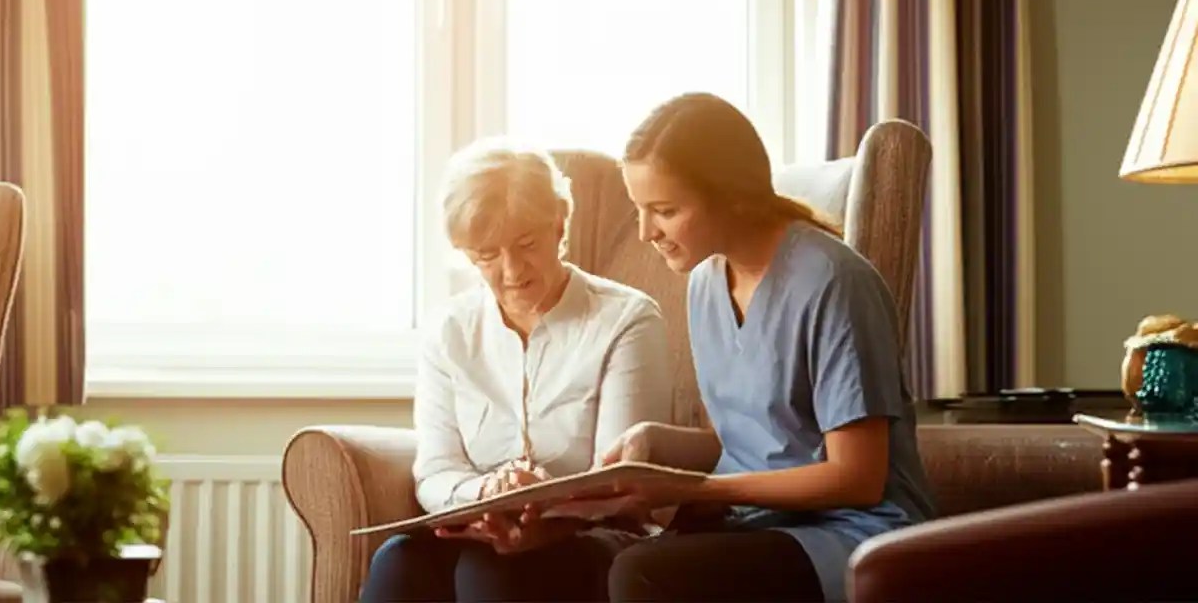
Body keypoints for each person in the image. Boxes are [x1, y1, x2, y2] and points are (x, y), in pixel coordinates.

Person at [600, 92, 936, 603]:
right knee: (587, 558)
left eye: (664, 210)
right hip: (757, 520)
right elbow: (745, 442)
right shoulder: (705, 282)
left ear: (731, 196)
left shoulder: (834, 282)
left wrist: (695, 490)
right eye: (640, 211)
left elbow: (858, 479)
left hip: (850, 531)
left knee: (644, 573)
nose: (647, 232)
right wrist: (650, 446)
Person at [360, 137, 672, 603]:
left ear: (559, 224)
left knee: (493, 571)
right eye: (487, 255)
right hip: (482, 525)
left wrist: (540, 504)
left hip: (595, 532)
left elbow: (621, 481)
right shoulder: (449, 330)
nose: (511, 272)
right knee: (399, 559)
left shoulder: (626, 319)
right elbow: (436, 471)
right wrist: (488, 493)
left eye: (527, 244)